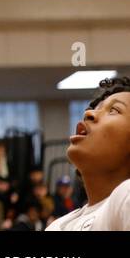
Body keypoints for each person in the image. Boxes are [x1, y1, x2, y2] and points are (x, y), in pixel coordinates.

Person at [48, 74, 130, 230]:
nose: (88, 114)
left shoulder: (125, 197)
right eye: (96, 108)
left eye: (113, 110)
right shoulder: (58, 225)